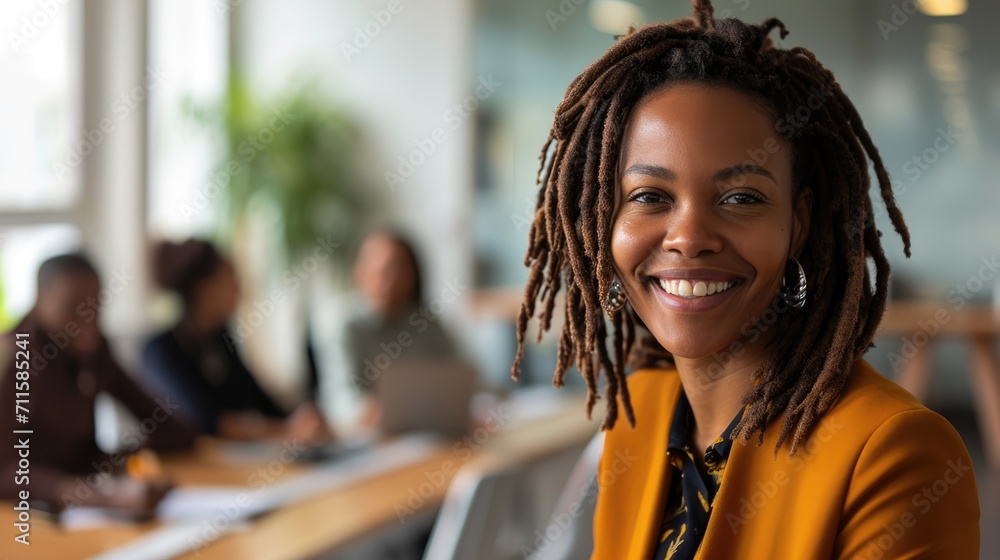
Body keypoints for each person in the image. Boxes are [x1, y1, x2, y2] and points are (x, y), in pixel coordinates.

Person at [510, 1, 980, 558]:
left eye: (740, 198)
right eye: (649, 196)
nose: (689, 237)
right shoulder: (636, 414)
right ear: (601, 223)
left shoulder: (893, 453)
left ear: (797, 225)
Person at [0, 253, 198, 516]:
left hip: (84, 510)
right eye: (73, 306)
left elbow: (169, 426)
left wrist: (120, 461)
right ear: (40, 300)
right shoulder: (15, 357)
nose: (87, 319)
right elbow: (6, 473)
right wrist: (106, 498)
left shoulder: (96, 353)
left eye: (95, 307)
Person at [141, 239, 326, 442]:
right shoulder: (161, 351)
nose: (240, 291)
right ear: (205, 288)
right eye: (232, 279)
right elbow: (207, 423)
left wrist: (302, 417)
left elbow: (262, 403)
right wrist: (287, 429)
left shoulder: (221, 341)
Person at [344, 230, 458, 429]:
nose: (386, 282)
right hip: (372, 436)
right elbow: (341, 400)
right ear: (359, 273)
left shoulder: (426, 322)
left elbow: (459, 376)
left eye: (395, 270)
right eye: (377, 271)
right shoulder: (347, 326)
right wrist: (371, 411)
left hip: (433, 431)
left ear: (412, 276)